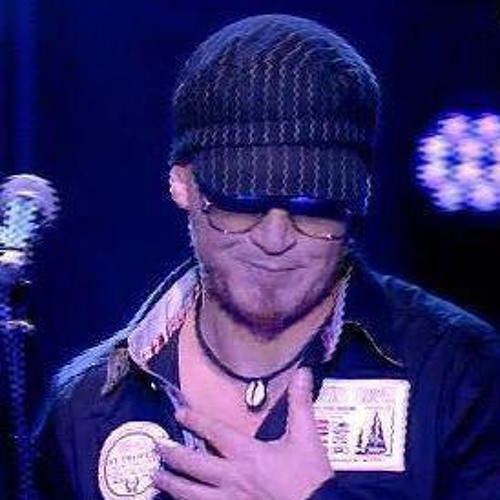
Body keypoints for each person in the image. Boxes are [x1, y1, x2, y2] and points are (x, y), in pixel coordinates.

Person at [34, 14, 500, 500]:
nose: (275, 239)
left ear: (359, 197)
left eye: (312, 205)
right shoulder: (84, 406)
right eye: (243, 201)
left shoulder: (460, 373)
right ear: (182, 185)